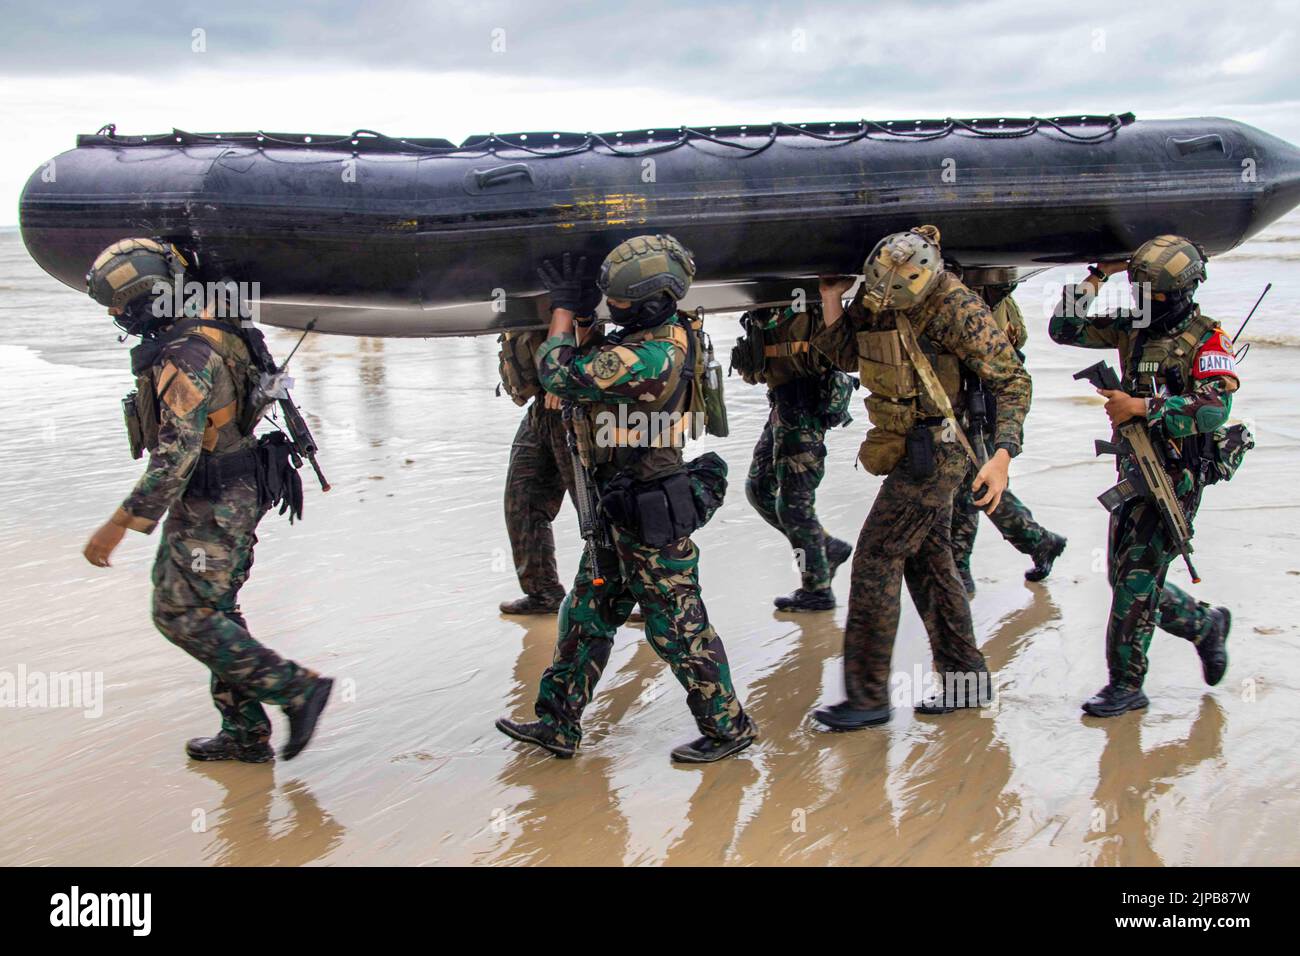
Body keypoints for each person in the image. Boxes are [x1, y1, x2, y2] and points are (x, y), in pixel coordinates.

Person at [496, 235, 757, 763]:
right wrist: (584, 318)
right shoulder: (655, 333)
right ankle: (559, 723)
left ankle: (729, 728)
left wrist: (565, 310)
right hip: (620, 504)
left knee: (679, 626)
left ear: (649, 301)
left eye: (618, 302)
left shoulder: (654, 355)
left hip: (647, 506)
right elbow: (596, 360)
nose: (611, 308)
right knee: (587, 614)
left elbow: (560, 375)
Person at [81, 238, 333, 762]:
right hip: (240, 484)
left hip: (215, 495)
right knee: (215, 608)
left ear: (149, 297)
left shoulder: (185, 353)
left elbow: (176, 457)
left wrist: (118, 524)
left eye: (121, 305)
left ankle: (296, 689)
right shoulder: (212, 325)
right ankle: (244, 731)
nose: (114, 314)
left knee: (178, 612)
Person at [807, 226, 1032, 729]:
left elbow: (1013, 380)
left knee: (876, 557)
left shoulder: (959, 308)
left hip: (941, 450)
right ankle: (966, 682)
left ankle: (867, 698)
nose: (881, 302)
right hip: (908, 444)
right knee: (929, 565)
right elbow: (849, 355)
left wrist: (1002, 455)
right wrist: (831, 299)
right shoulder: (882, 287)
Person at [1049, 235, 1235, 717]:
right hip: (1133, 468)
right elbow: (1063, 329)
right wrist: (1097, 276)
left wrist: (1144, 407)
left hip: (1176, 478)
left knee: (1134, 582)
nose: (1149, 303)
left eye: (1159, 295)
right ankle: (1203, 624)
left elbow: (1214, 410)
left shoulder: (1206, 338)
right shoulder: (1133, 328)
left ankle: (1126, 686)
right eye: (1143, 292)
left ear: (1186, 292)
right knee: (1124, 579)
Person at [950, 270, 1066, 595]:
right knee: (966, 483)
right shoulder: (996, 299)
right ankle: (961, 564)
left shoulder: (985, 303)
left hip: (981, 401)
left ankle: (1038, 541)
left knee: (976, 483)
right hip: (977, 398)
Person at [734, 302, 855, 610]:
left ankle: (818, 589)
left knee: (793, 504)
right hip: (783, 405)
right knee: (759, 489)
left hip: (805, 406)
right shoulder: (771, 297)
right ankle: (825, 546)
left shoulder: (801, 295)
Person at [497, 329, 577, 615]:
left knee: (598, 510)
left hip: (573, 401)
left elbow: (586, 318)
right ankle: (544, 593)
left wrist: (562, 377)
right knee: (522, 501)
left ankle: (651, 595)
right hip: (542, 405)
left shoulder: (564, 290)